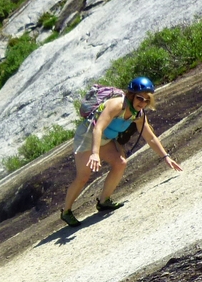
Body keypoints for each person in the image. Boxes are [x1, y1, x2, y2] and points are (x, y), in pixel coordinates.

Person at [60, 76, 183, 227]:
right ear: (131, 95)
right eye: (139, 98)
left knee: (120, 163)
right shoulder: (116, 105)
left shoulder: (139, 114)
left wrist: (166, 157)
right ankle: (66, 212)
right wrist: (94, 153)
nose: (142, 103)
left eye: (146, 100)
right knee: (83, 177)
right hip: (87, 137)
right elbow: (97, 128)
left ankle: (104, 201)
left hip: (105, 139)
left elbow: (150, 137)